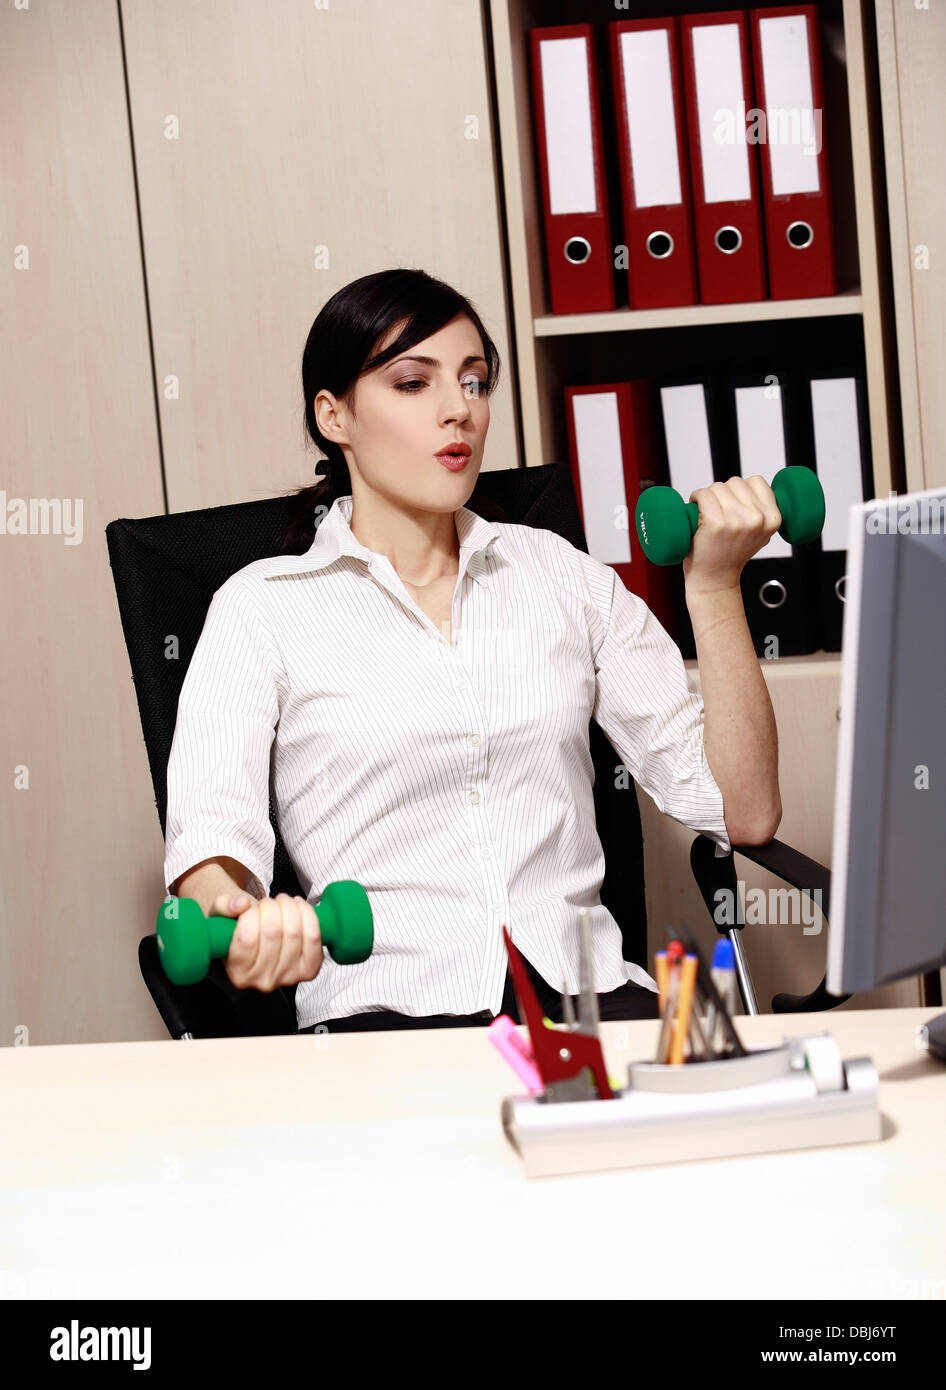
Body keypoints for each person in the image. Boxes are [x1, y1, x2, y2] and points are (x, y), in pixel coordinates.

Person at [164, 268, 782, 1034]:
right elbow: (212, 847)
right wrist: (241, 918)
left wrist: (716, 588)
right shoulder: (261, 608)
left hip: (594, 1008)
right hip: (387, 1022)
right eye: (413, 383)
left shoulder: (563, 576)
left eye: (476, 382)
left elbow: (742, 812)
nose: (459, 409)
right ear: (335, 416)